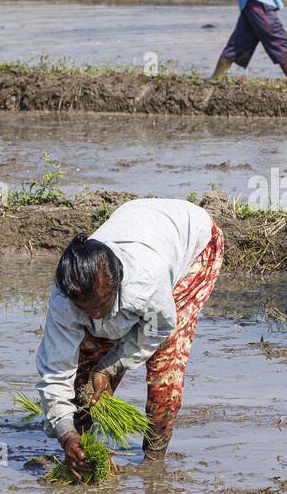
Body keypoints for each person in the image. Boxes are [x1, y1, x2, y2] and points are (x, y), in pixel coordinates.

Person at [35, 198, 222, 478]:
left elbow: (159, 328)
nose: (97, 315)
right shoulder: (65, 298)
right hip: (139, 223)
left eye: (102, 304)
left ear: (116, 283)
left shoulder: (144, 281)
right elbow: (56, 371)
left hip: (194, 244)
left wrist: (111, 366)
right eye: (86, 310)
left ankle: (153, 459)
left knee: (165, 361)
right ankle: (85, 444)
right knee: (85, 364)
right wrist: (66, 435)